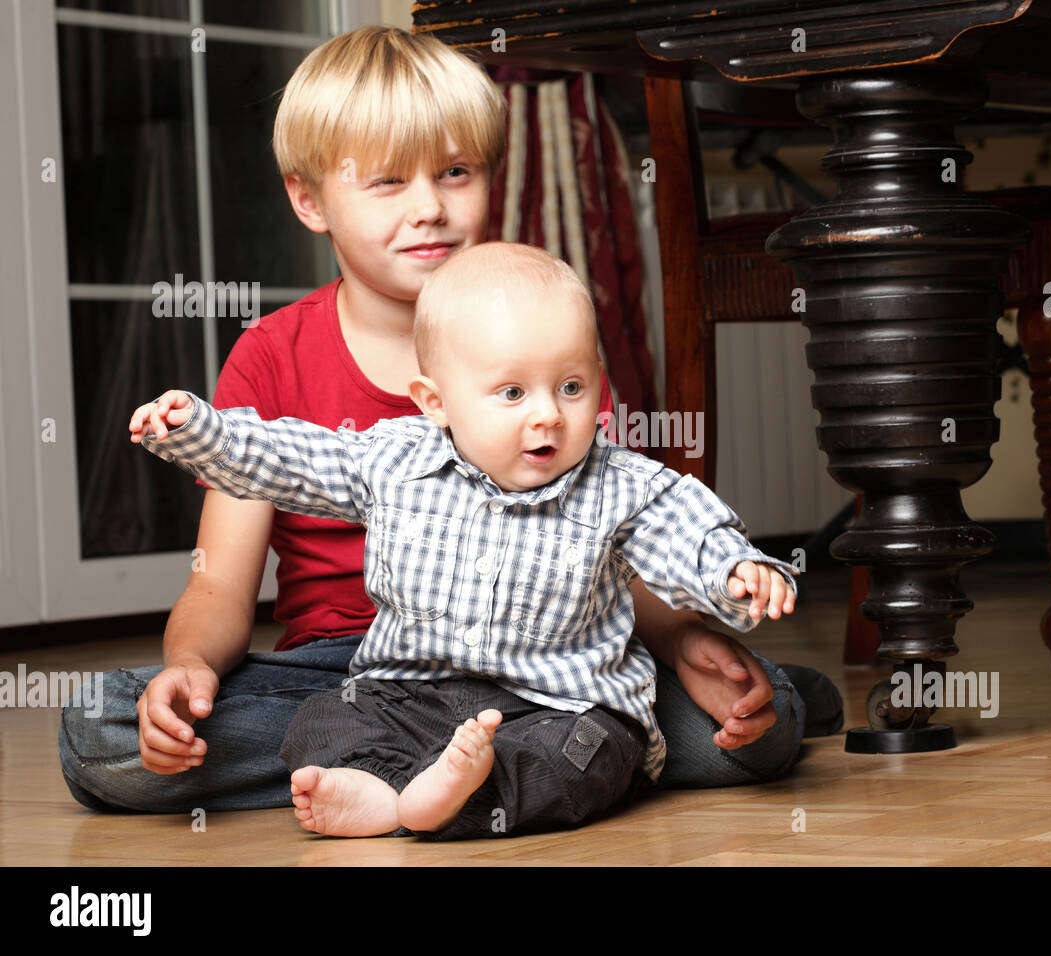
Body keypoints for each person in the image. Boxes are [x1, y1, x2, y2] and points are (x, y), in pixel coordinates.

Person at [59, 26, 840, 816]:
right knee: (104, 733)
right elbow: (220, 582)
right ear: (308, 199)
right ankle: (501, 772)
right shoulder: (272, 358)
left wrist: (679, 638)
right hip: (355, 674)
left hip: (549, 667)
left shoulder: (545, 340)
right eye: (389, 182)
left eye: (456, 173)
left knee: (751, 726)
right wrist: (188, 667)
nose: (429, 208)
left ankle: (427, 775)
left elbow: (612, 530)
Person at [128, 242, 799, 840]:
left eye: (571, 386)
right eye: (511, 392)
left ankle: (433, 799)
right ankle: (400, 791)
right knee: (323, 719)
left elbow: (688, 529)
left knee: (587, 754)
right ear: (434, 401)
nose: (548, 414)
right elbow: (291, 456)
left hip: (559, 707)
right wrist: (200, 430)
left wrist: (738, 570)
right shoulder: (394, 459)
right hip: (413, 697)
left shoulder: (622, 484)